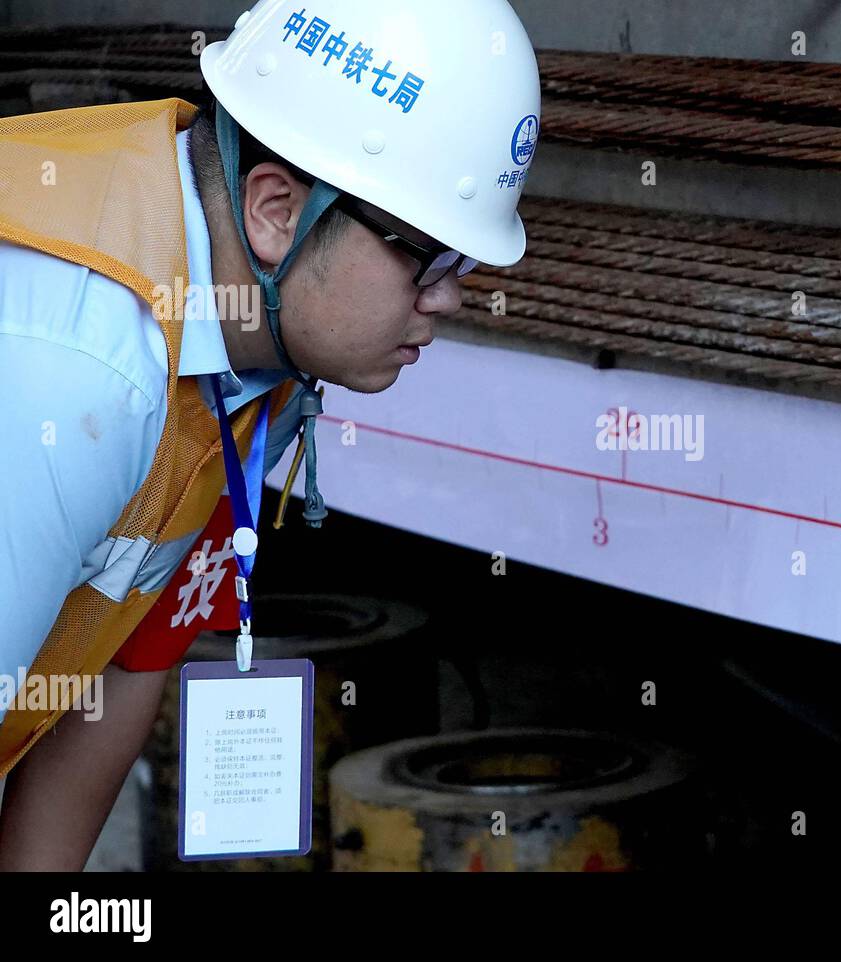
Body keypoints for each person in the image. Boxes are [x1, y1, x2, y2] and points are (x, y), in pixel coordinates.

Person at [0, 0, 541, 870]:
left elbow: (126, 656)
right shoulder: (78, 371)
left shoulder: (256, 343)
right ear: (276, 211)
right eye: (426, 255)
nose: (448, 298)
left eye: (465, 266)